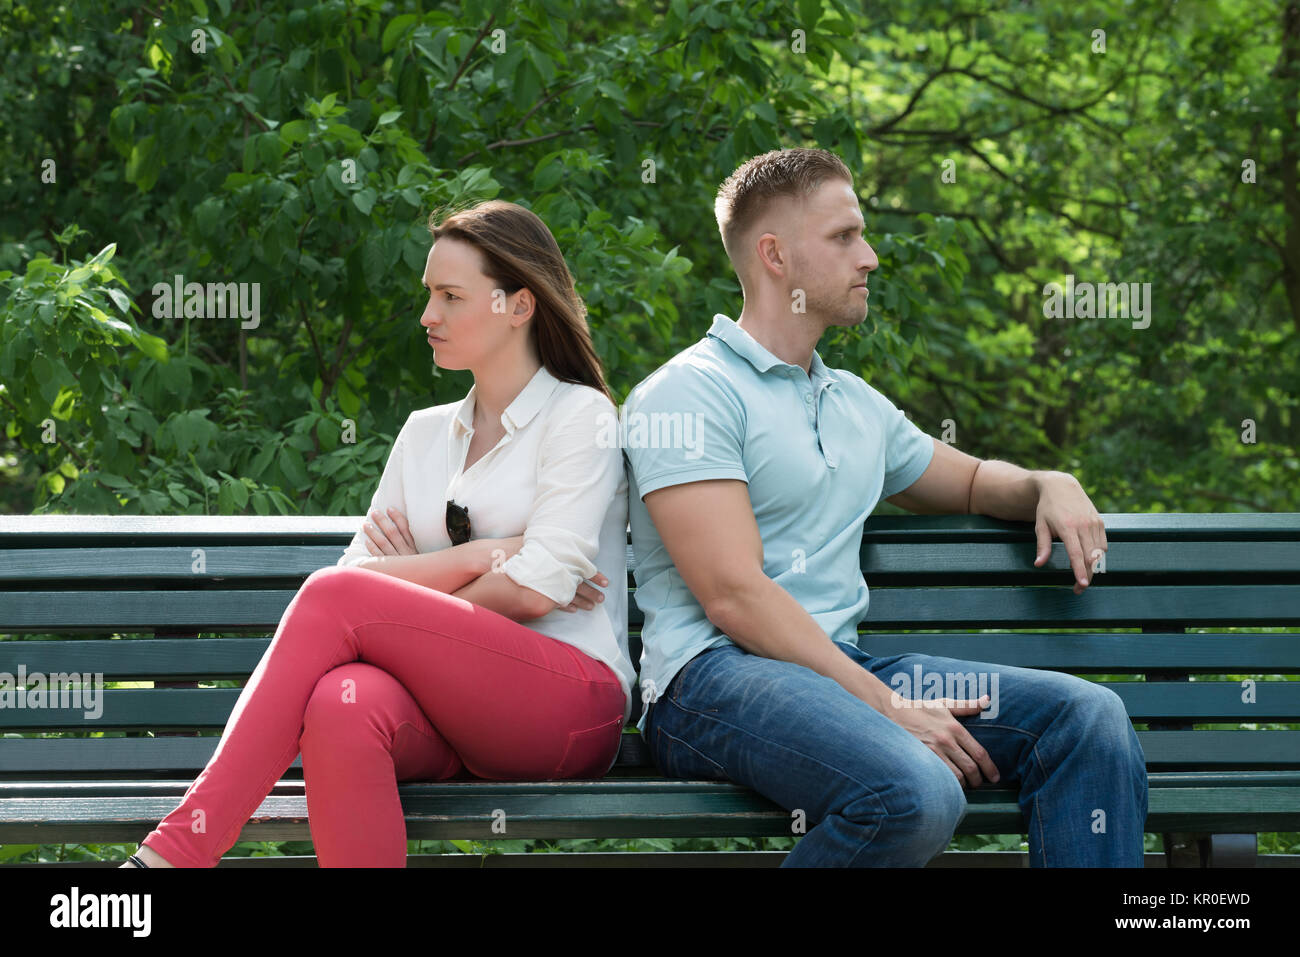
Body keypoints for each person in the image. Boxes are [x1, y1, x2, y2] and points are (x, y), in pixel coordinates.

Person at [622, 147, 1148, 867]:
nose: (868, 257)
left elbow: (967, 482)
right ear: (774, 255)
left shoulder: (851, 404)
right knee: (915, 791)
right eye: (844, 237)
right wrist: (887, 705)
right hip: (712, 683)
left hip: (841, 671)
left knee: (1086, 719)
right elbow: (734, 595)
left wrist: (1042, 481)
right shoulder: (689, 394)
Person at [120, 200, 633, 867]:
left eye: (451, 296)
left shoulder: (580, 416)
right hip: (442, 711)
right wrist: (485, 556)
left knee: (335, 600)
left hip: (565, 704)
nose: (428, 315)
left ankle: (178, 851)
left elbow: (536, 588)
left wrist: (412, 585)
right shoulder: (423, 434)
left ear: (520, 305)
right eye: (429, 295)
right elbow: (358, 577)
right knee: (340, 703)